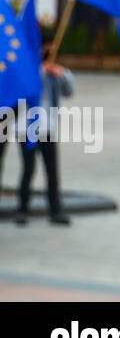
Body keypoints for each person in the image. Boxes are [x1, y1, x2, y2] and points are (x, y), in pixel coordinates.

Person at [3, 58, 75, 226]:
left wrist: (62, 74)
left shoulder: (53, 72)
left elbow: (69, 91)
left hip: (47, 127)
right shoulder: (23, 68)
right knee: (28, 169)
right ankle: (22, 208)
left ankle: (55, 209)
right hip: (26, 127)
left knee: (51, 170)